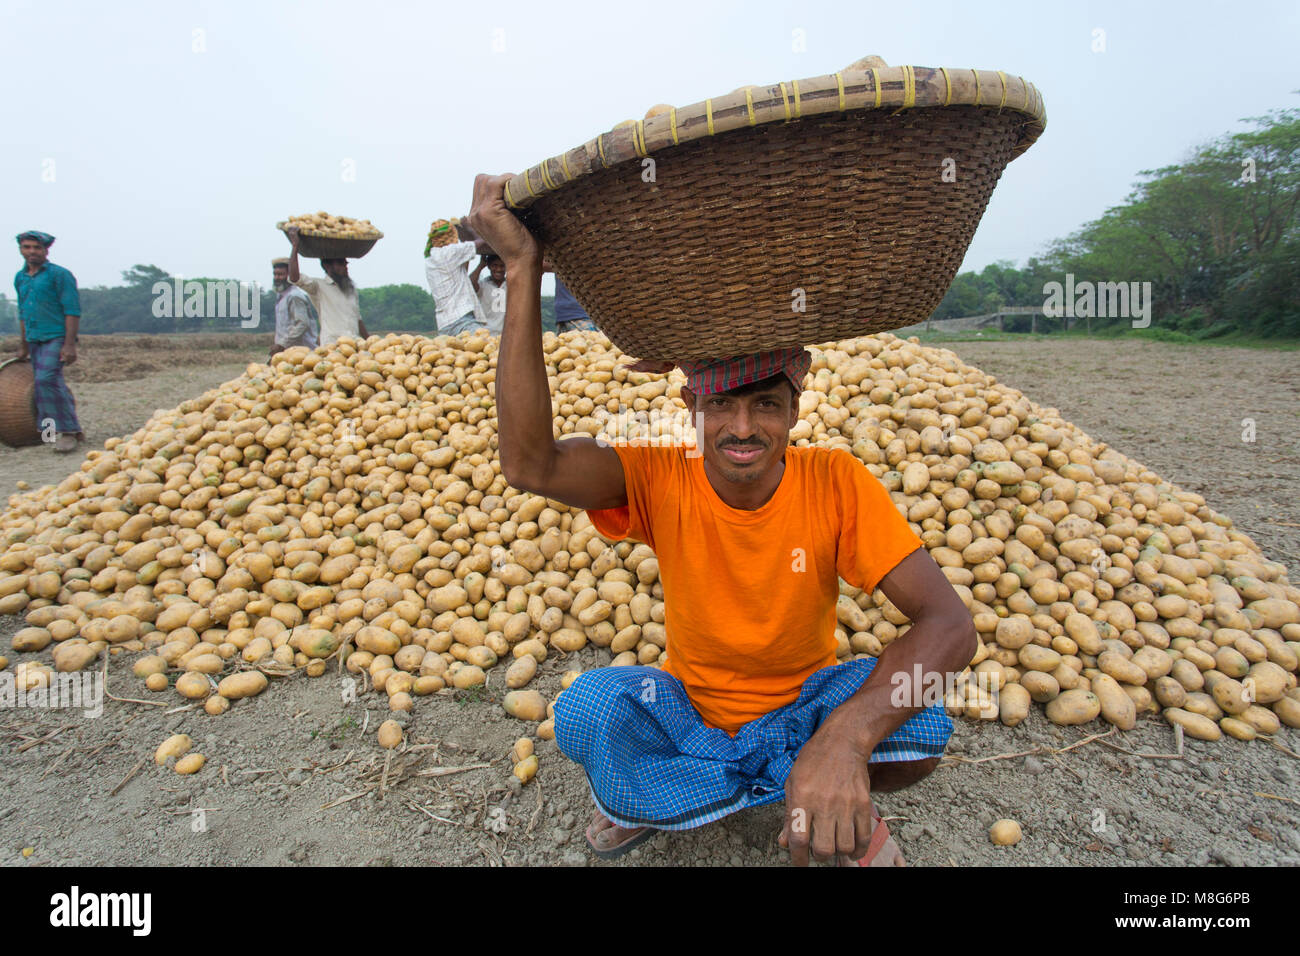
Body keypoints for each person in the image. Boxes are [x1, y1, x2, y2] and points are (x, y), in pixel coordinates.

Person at [467, 173, 976, 867]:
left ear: (794, 411)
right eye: (723, 406)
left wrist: (844, 739)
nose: (743, 427)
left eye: (766, 404)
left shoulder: (836, 480)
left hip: (807, 704)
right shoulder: (654, 476)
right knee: (587, 708)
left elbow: (949, 625)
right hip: (688, 712)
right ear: (693, 410)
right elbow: (531, 464)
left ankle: (705, 789)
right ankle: (770, 786)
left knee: (926, 720)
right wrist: (524, 268)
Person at [13, 230, 82, 453]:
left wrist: (69, 344)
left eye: (36, 248)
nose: (31, 252)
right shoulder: (20, 278)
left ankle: (69, 432)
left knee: (45, 380)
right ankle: (50, 431)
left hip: (56, 336)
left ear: (45, 250)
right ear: (21, 250)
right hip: (34, 337)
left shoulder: (59, 275)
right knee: (47, 384)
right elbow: (23, 313)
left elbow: (72, 310)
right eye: (27, 247)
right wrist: (23, 344)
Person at [285, 226, 368, 345]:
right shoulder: (318, 287)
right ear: (327, 267)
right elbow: (294, 278)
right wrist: (295, 246)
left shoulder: (350, 289)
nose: (345, 267)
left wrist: (369, 340)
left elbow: (358, 318)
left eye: (345, 263)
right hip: (332, 346)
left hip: (353, 345)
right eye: (340, 264)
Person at [424, 218, 488, 337]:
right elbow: (483, 241)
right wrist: (469, 227)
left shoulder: (430, 259)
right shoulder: (450, 252)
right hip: (462, 321)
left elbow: (461, 273)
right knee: (486, 343)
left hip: (444, 325)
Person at [269, 257, 317, 361]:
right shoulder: (281, 297)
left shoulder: (295, 296)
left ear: (289, 275)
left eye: (281, 274)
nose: (277, 278)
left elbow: (302, 324)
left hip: (302, 354)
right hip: (287, 353)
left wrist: (282, 344)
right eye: (275, 274)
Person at [470, 253, 507, 336]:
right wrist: (480, 265)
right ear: (489, 266)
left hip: (505, 335)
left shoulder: (511, 286)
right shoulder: (483, 285)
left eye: (502, 266)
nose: (498, 269)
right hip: (485, 335)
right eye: (495, 265)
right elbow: (470, 284)